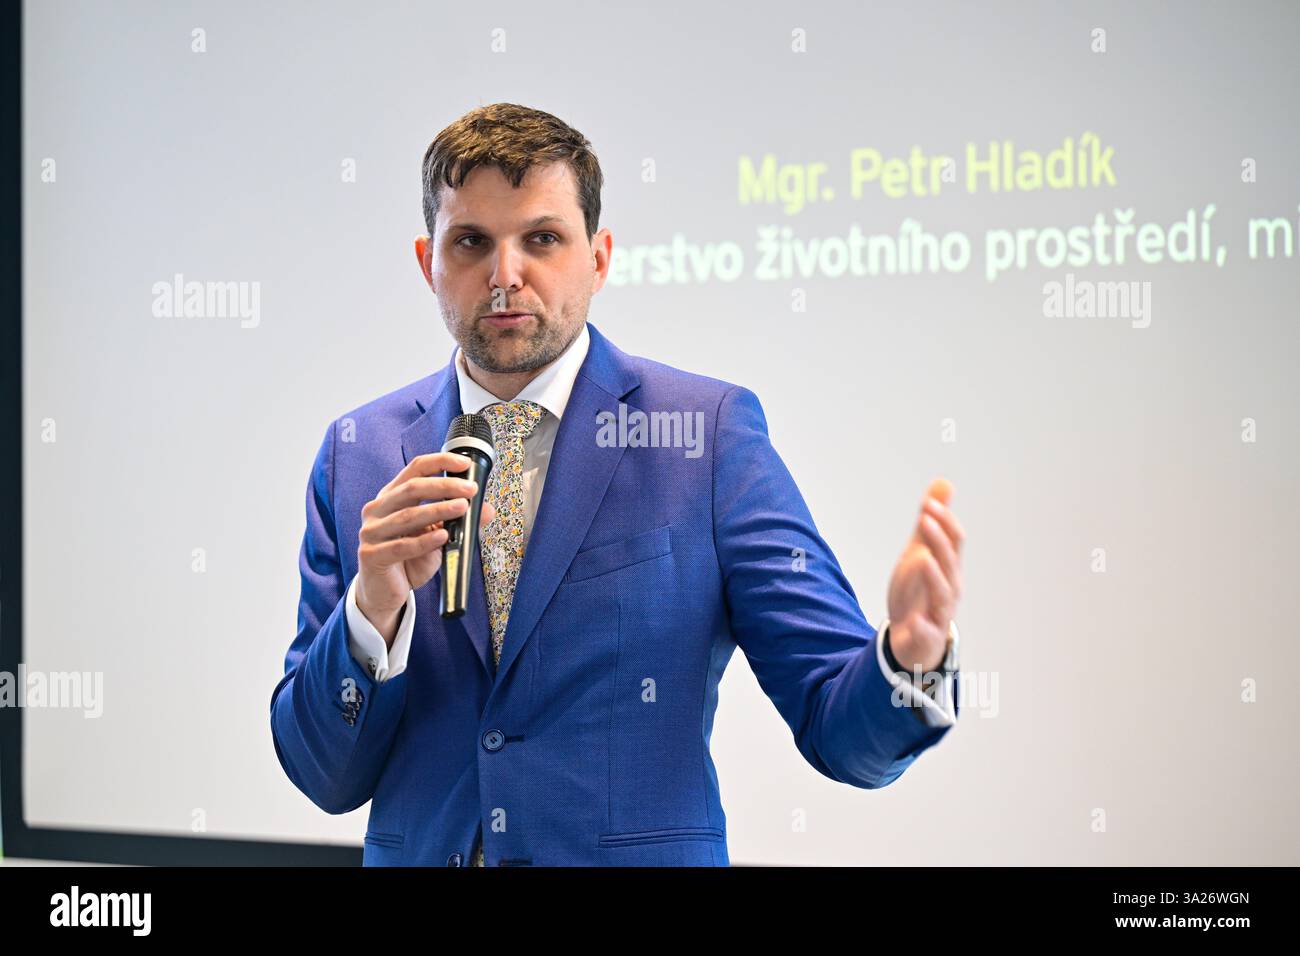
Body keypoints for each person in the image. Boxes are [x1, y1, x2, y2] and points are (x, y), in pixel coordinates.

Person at [270, 103, 967, 866]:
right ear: (427, 262)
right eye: (471, 242)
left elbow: (838, 725)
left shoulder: (705, 436)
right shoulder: (358, 455)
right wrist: (371, 610)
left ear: (599, 258)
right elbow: (323, 774)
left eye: (542, 239)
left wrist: (908, 659)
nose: (506, 275)